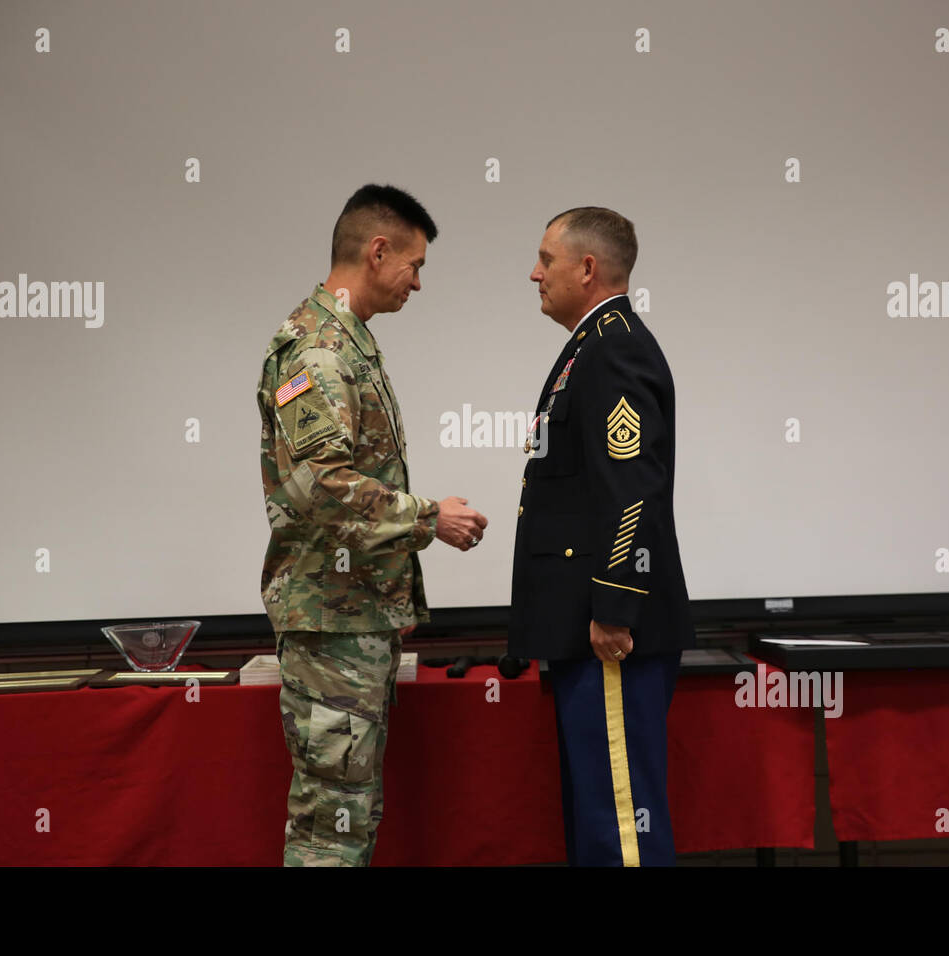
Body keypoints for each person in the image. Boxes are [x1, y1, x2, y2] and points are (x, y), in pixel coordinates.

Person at [256, 183, 487, 866]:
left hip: (355, 621)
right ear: (378, 251)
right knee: (331, 826)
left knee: (349, 816)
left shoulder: (349, 343)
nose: (418, 283)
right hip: (333, 626)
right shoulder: (318, 352)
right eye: (414, 265)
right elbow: (322, 489)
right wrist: (428, 517)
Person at [508, 206, 695, 866]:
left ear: (587, 268)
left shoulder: (613, 350)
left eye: (546, 260)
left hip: (609, 633)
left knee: (621, 823)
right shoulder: (592, 345)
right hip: (585, 629)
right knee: (598, 815)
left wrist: (615, 605)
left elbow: (632, 488)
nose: (534, 273)